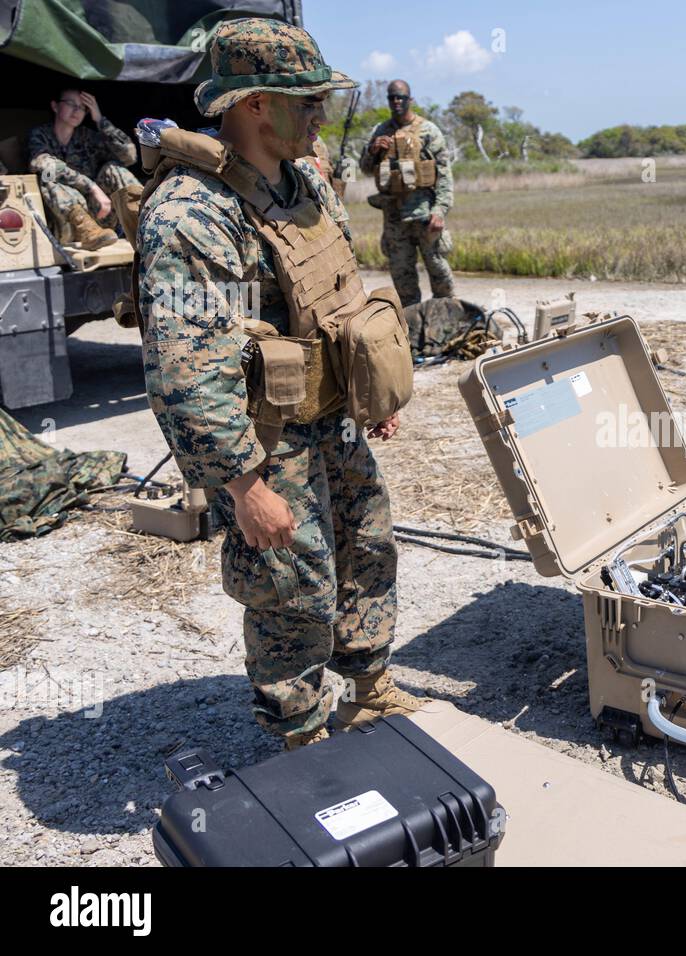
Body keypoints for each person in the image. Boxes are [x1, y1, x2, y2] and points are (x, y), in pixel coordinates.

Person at [136, 17, 423, 750]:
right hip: (267, 437)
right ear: (255, 103)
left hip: (334, 416)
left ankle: (367, 685)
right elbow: (186, 366)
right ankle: (300, 730)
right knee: (290, 586)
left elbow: (339, 291)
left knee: (367, 544)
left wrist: (369, 391)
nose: (322, 114)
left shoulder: (304, 182)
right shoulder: (193, 212)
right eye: (307, 100)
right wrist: (242, 485)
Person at [359, 79, 454, 307]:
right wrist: (372, 150)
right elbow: (363, 168)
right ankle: (411, 321)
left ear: (410, 99)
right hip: (394, 215)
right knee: (401, 273)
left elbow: (444, 174)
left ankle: (447, 312)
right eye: (392, 98)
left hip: (424, 213)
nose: (396, 102)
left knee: (437, 267)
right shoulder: (380, 131)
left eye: (401, 97)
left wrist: (440, 210)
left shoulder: (428, 130)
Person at [27, 89, 140, 250]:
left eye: (82, 107)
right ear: (55, 106)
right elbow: (46, 163)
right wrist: (91, 186)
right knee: (49, 176)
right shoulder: (40, 134)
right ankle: (87, 229)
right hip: (63, 221)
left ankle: (142, 224)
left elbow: (129, 156)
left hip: (100, 216)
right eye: (71, 104)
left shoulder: (87, 137)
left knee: (114, 169)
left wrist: (100, 120)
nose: (76, 110)